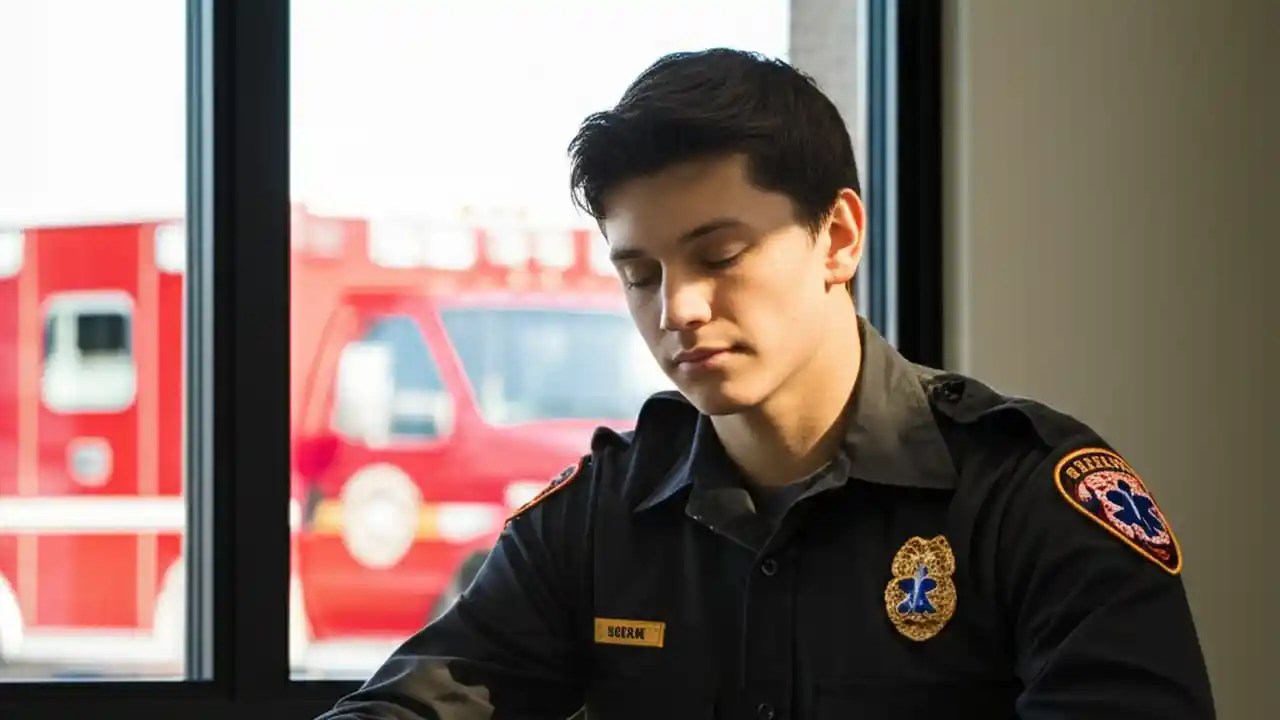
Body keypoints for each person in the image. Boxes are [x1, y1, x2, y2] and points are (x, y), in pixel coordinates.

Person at [316, 48, 1215, 719]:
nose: (680, 309)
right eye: (641, 274)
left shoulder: (1027, 495)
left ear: (838, 239)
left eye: (721, 255)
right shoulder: (599, 519)